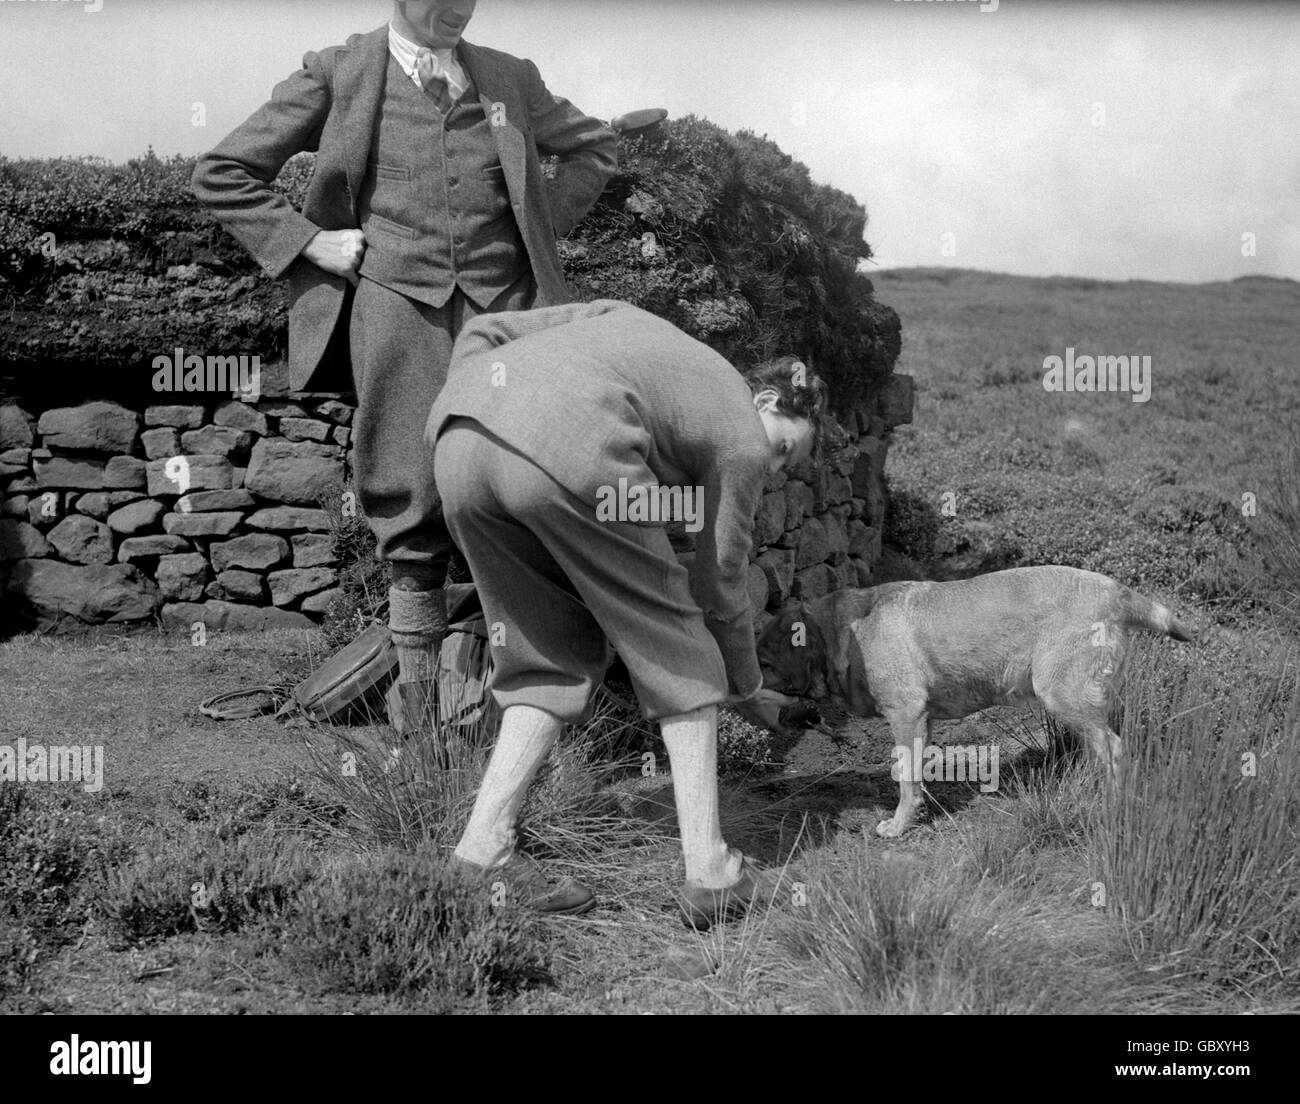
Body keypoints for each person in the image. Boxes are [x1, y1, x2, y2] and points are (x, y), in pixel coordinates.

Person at [191, 1, 618, 731]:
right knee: (405, 494)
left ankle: (520, 715)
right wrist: (308, 242)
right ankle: (419, 726)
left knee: (515, 490)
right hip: (397, 310)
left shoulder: (511, 77)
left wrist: (536, 225)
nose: (455, 6)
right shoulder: (338, 70)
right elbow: (222, 170)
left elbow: (598, 148)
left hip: (505, 313)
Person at [427, 299, 824, 930]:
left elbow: (483, 328)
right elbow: (720, 579)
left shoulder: (631, 323)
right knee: (678, 645)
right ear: (767, 401)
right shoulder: (741, 436)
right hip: (575, 445)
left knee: (544, 651)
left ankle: (482, 854)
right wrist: (746, 686)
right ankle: (713, 871)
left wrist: (480, 399)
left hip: (458, 442)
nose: (772, 468)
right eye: (784, 450)